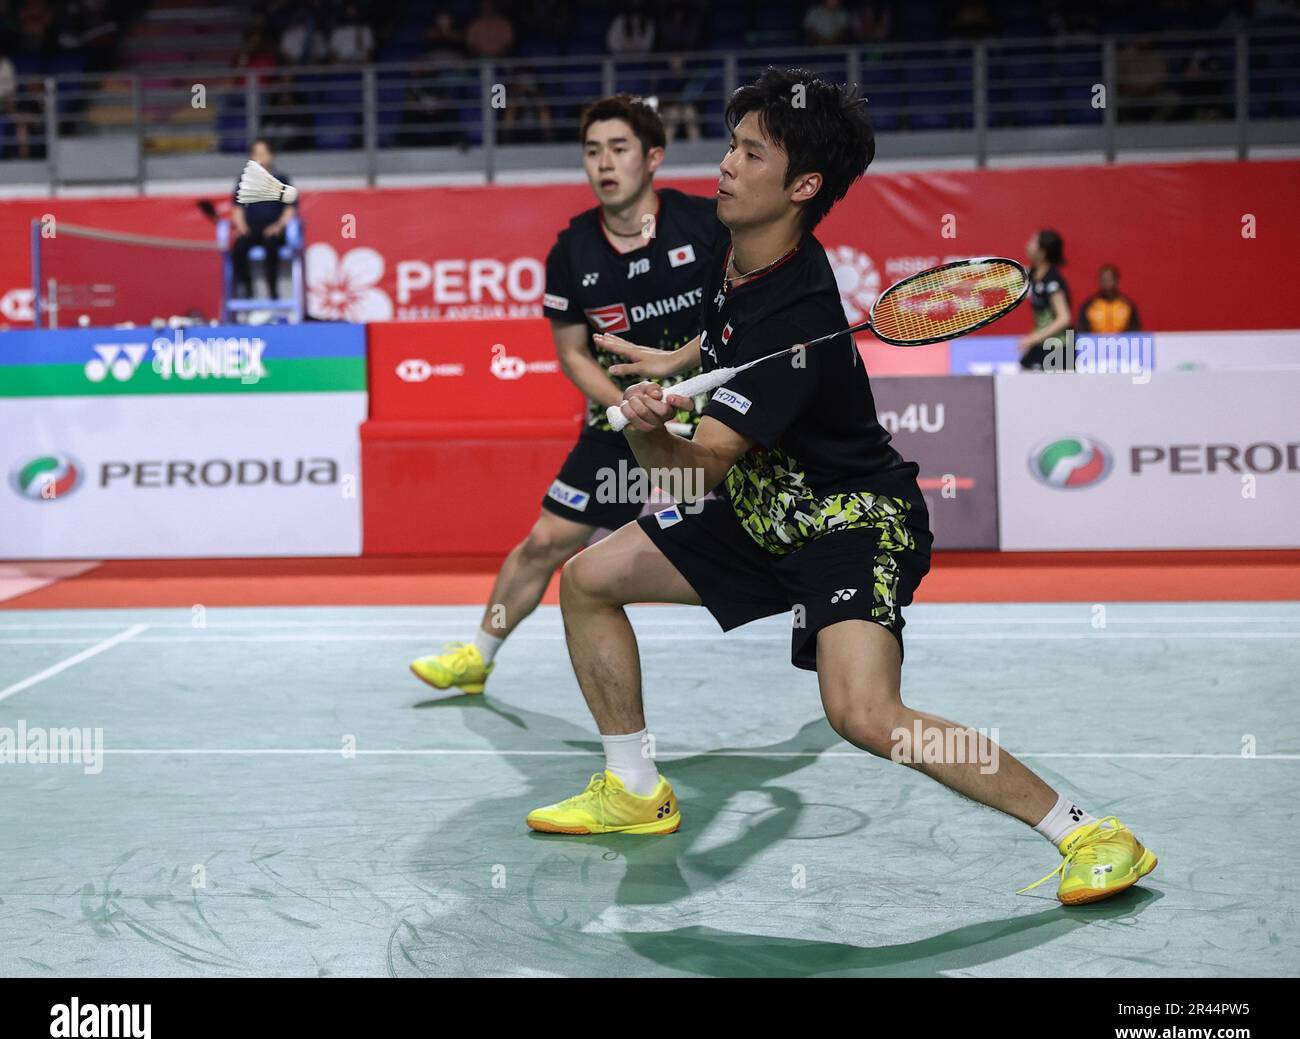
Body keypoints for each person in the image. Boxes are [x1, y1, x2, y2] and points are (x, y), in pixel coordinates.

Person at [525, 68, 1158, 908]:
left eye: (750, 154)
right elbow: (722, 342)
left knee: (863, 713)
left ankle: (1087, 829)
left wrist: (646, 423)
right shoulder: (739, 250)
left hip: (851, 520)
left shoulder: (797, 321)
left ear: (803, 185)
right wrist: (676, 367)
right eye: (730, 146)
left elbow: (694, 467)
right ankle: (634, 787)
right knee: (589, 580)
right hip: (765, 510)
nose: (724, 166)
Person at [409, 95, 729, 696]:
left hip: (711, 420)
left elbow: (734, 315)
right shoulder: (572, 251)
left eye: (619, 148)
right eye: (592, 151)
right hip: (617, 421)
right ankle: (478, 655)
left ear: (653, 157)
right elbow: (573, 353)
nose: (604, 163)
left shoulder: (705, 225)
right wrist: (627, 406)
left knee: (756, 535)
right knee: (547, 542)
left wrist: (680, 392)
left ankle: (827, 619)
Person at [230, 138, 296, 301]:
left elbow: (289, 209)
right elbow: (237, 208)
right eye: (255, 154)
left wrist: (279, 226)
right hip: (251, 230)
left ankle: (272, 290)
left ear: (271, 156)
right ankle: (247, 288)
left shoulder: (282, 180)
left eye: (262, 153)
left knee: (271, 244)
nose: (259, 157)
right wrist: (241, 226)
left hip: (273, 231)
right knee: (238, 247)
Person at [1018, 229, 1072, 371]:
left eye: (1032, 242)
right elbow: (999, 283)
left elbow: (1064, 319)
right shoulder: (1031, 274)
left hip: (1059, 347)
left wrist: (1032, 339)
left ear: (1042, 252)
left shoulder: (1052, 280)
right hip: (1041, 345)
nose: (1027, 245)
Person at [1076, 263, 1141, 333]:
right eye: (1104, 280)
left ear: (1117, 281)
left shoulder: (1127, 305)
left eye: (1110, 280)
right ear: (1099, 281)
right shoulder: (1089, 305)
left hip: (1122, 342)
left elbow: (1135, 331)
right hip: (1094, 342)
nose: (1107, 284)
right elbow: (1081, 329)